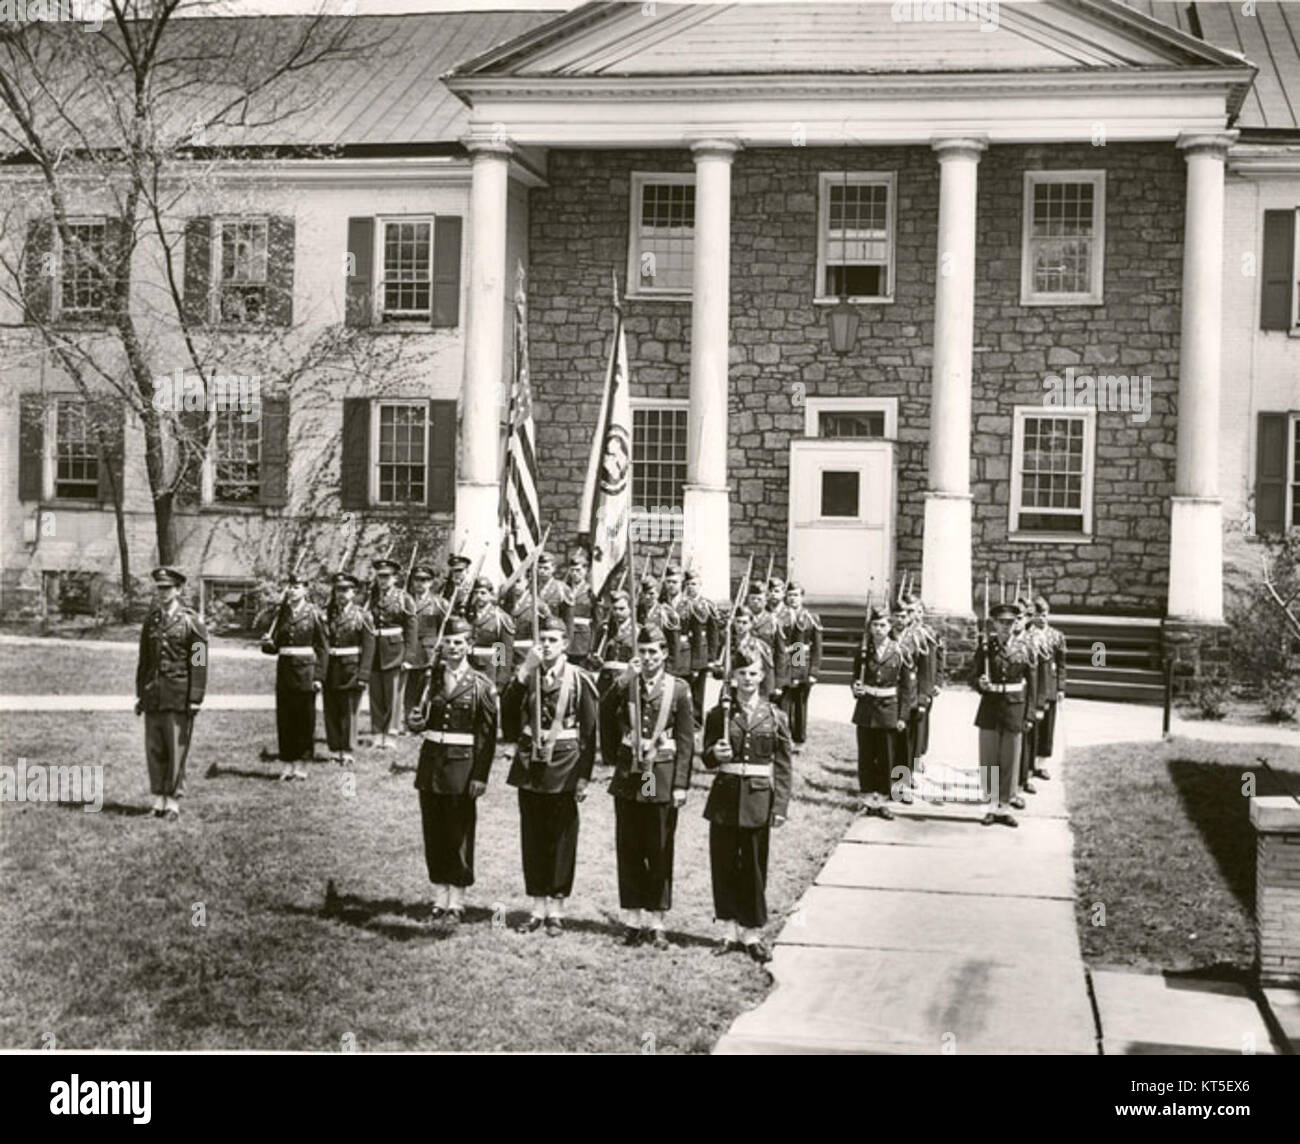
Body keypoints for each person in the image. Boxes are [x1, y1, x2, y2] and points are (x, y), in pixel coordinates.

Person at [500, 615, 599, 936]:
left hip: (565, 765)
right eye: (542, 639)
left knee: (561, 837)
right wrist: (523, 671)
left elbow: (590, 732)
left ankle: (556, 909)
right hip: (531, 764)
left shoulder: (579, 678)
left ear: (565, 644)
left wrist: (584, 777)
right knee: (533, 836)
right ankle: (537, 907)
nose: (546, 645)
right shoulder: (528, 674)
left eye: (553, 640)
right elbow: (507, 710)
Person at [599, 624, 694, 949]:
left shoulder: (677, 689)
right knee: (629, 847)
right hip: (630, 775)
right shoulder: (627, 684)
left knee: (658, 846)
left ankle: (657, 921)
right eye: (643, 651)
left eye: (654, 651)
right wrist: (623, 679)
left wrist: (681, 784)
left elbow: (686, 741)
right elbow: (604, 712)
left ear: (665, 653)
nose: (648, 657)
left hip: (657, 775)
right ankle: (632, 919)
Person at [701, 648, 793, 965]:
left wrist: (779, 806)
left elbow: (783, 766)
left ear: (762, 676)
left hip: (757, 799)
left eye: (753, 673)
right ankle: (728, 930)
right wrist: (715, 753)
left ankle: (751, 933)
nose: (748, 679)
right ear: (733, 677)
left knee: (753, 867)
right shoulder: (719, 714)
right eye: (742, 673)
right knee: (724, 863)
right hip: (725, 798)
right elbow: (706, 757)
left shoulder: (775, 716)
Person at [407, 616, 499, 927]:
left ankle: (457, 899)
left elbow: (487, 736)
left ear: (469, 645)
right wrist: (415, 722)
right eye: (447, 642)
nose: (452, 648)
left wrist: (480, 775)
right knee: (433, 832)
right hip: (432, 765)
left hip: (462, 768)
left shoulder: (481, 684)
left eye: (459, 642)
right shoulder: (431, 679)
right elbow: (418, 717)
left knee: (458, 834)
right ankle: (439, 896)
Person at [135, 566, 208, 820]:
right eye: (160, 588)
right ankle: (159, 799)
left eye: (168, 588)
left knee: (176, 749)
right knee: (154, 748)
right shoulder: (152, 621)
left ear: (178, 590)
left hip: (178, 695)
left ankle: (173, 802)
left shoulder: (192, 621)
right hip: (154, 694)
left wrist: (195, 697)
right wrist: (141, 694)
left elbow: (199, 661)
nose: (163, 593)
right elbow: (144, 660)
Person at [973, 602, 1037, 828]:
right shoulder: (986, 648)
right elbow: (973, 675)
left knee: (1010, 759)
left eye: (1010, 622)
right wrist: (980, 683)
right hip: (990, 708)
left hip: (1014, 709)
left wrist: (1030, 715)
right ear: (994, 624)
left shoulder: (1025, 648)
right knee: (989, 759)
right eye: (1001, 622)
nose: (1006, 626)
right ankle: (991, 807)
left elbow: (1033, 685)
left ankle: (1005, 807)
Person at [261, 570, 328, 780]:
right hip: (285, 673)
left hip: (306, 673)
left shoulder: (314, 614)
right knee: (285, 720)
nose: (292, 590)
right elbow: (276, 647)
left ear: (305, 590)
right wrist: (267, 644)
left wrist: (319, 677)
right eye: (290, 587)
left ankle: (302, 765)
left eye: (297, 587)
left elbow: (323, 648)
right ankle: (287, 763)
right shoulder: (282, 614)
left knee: (304, 721)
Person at [850, 605, 914, 818]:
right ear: (870, 627)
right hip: (866, 709)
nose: (878, 629)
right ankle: (868, 799)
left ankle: (883, 799)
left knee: (886, 757)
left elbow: (907, 687)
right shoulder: (863, 650)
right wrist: (855, 688)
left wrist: (903, 715)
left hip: (888, 708)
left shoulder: (900, 651)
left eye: (883, 625)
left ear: (889, 627)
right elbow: (855, 677)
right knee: (866, 757)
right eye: (875, 625)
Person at [323, 573, 375, 767]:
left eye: (346, 590)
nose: (341, 594)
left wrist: (364, 674)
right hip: (331, 668)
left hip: (351, 669)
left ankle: (347, 750)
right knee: (331, 710)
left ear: (354, 592)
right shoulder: (328, 614)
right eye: (338, 590)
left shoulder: (362, 615)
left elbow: (369, 647)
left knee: (349, 711)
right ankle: (334, 749)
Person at [367, 557, 416, 750]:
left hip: (396, 652)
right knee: (376, 695)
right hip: (375, 651)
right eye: (380, 576)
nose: (383, 580)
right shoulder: (372, 597)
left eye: (387, 577)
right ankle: (377, 733)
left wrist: (409, 656)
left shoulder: (405, 599)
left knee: (394, 696)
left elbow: (412, 629)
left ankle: (391, 734)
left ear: (395, 578)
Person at [779, 582, 822, 750]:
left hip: (802, 664)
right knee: (783, 704)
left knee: (800, 704)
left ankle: (799, 739)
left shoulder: (810, 618)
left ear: (802, 597)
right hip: (784, 664)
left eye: (796, 595)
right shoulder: (779, 617)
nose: (792, 598)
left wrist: (813, 672)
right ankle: (783, 737)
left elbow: (817, 648)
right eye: (790, 595)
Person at [1031, 596, 1067, 781]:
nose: (1041, 619)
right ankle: (1028, 764)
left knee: (1047, 727)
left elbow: (1061, 664)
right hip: (1033, 687)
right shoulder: (1027, 635)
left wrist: (1060, 687)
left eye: (1044, 615)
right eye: (1038, 615)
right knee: (1032, 727)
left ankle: (1041, 764)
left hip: (1050, 687)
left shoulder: (1056, 636)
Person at [679, 568, 720, 729]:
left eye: (694, 584)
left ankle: (695, 725)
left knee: (697, 693)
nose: (691, 587)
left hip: (700, 655)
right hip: (684, 655)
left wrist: (712, 658)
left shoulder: (707, 606)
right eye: (688, 584)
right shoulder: (680, 605)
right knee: (683, 690)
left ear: (700, 585)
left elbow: (713, 634)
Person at [405, 563, 443, 728]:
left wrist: (502, 672)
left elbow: (501, 644)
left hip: (493, 662)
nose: (420, 583)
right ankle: (410, 720)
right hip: (412, 651)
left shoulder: (501, 617)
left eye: (425, 580)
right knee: (410, 688)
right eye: (417, 579)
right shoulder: (405, 601)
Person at [466, 575, 515, 695]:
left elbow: (503, 649)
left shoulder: (500, 617)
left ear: (491, 595)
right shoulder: (468, 615)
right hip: (469, 667)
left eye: (483, 593)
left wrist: (500, 680)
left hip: (489, 669)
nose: (479, 596)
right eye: (476, 593)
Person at [713, 606, 774, 699]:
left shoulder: (760, 646)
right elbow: (716, 672)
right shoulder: (727, 644)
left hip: (752, 691)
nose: (740, 625)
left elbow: (768, 674)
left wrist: (767, 695)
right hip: (730, 690)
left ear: (751, 624)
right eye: (738, 622)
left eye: (744, 622)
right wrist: (721, 670)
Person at [592, 590, 636, 699]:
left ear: (630, 609)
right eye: (615, 609)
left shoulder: (637, 631)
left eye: (622, 609)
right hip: (605, 680)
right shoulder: (604, 629)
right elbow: (594, 652)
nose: (618, 612)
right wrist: (596, 661)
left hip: (626, 679)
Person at [565, 546, 597, 665]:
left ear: (586, 570)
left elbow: (596, 622)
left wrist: (592, 646)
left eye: (578, 570)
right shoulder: (564, 589)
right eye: (572, 570)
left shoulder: (591, 592)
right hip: (565, 638)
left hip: (582, 639)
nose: (575, 573)